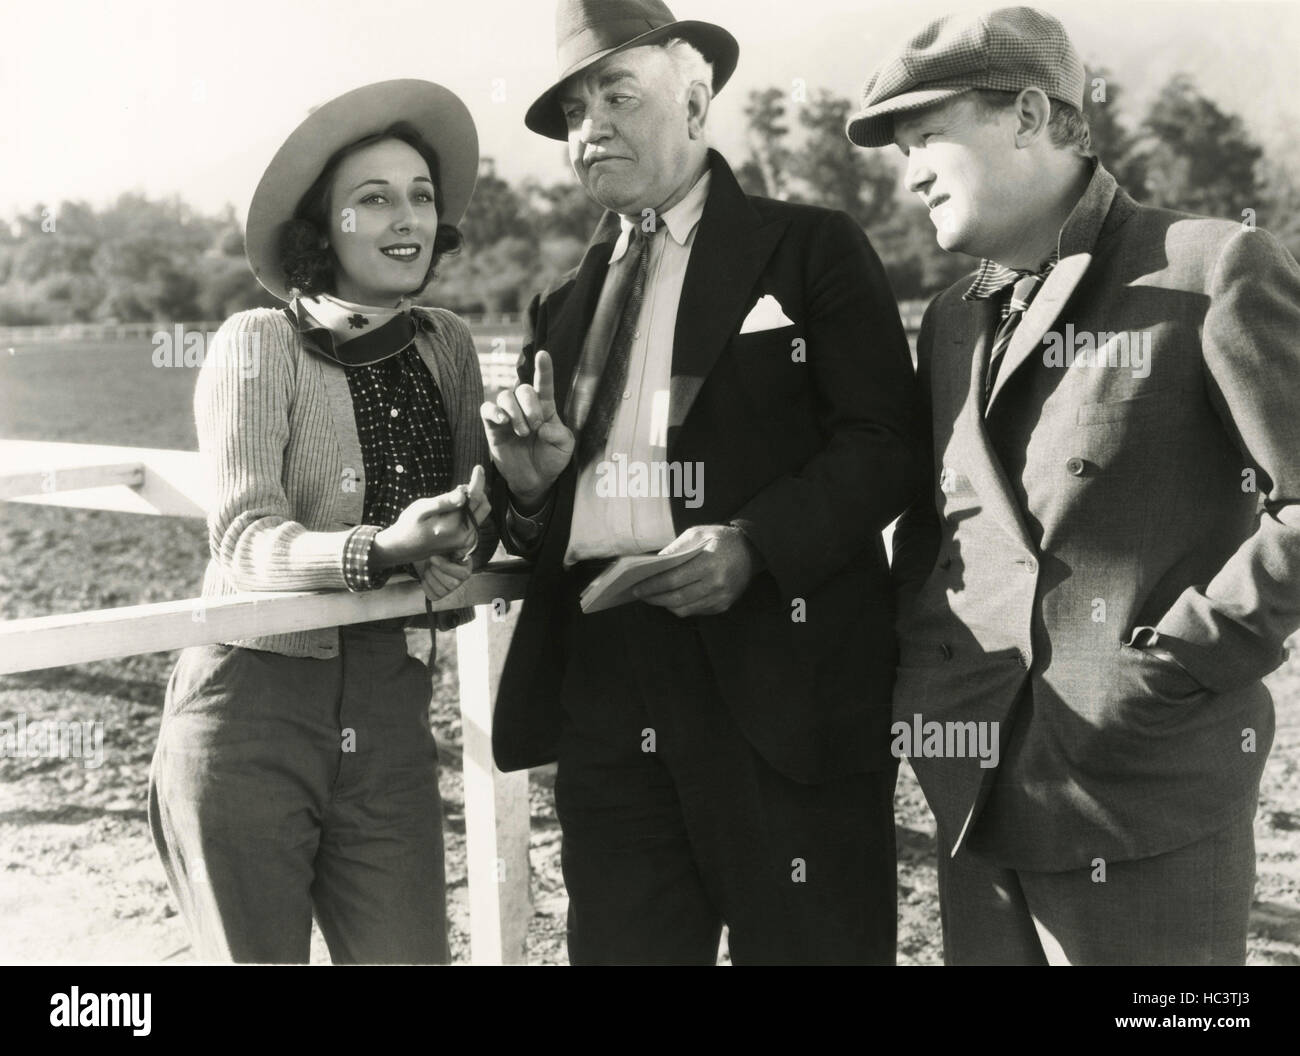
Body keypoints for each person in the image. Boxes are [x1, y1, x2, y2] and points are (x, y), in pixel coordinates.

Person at [847, 6, 1300, 965]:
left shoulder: (1213, 267)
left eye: (929, 136)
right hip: (973, 780)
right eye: (900, 151)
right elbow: (943, 533)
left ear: (1028, 115)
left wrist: (1172, 667)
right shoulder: (952, 320)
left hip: (1145, 786)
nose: (912, 170)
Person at [483, 0, 918, 965]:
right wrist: (529, 486)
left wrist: (755, 544)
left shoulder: (811, 248)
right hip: (606, 685)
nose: (589, 125)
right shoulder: (561, 302)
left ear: (694, 98)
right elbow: (538, 506)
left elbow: (885, 440)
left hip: (779, 674)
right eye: (571, 112)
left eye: (615, 95)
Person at [148, 79, 495, 964]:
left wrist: (491, 516)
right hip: (251, 706)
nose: (405, 216)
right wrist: (382, 549)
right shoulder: (255, 345)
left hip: (391, 711)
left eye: (420, 195)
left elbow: (460, 545)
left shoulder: (446, 346)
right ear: (320, 229)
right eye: (371, 199)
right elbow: (242, 539)